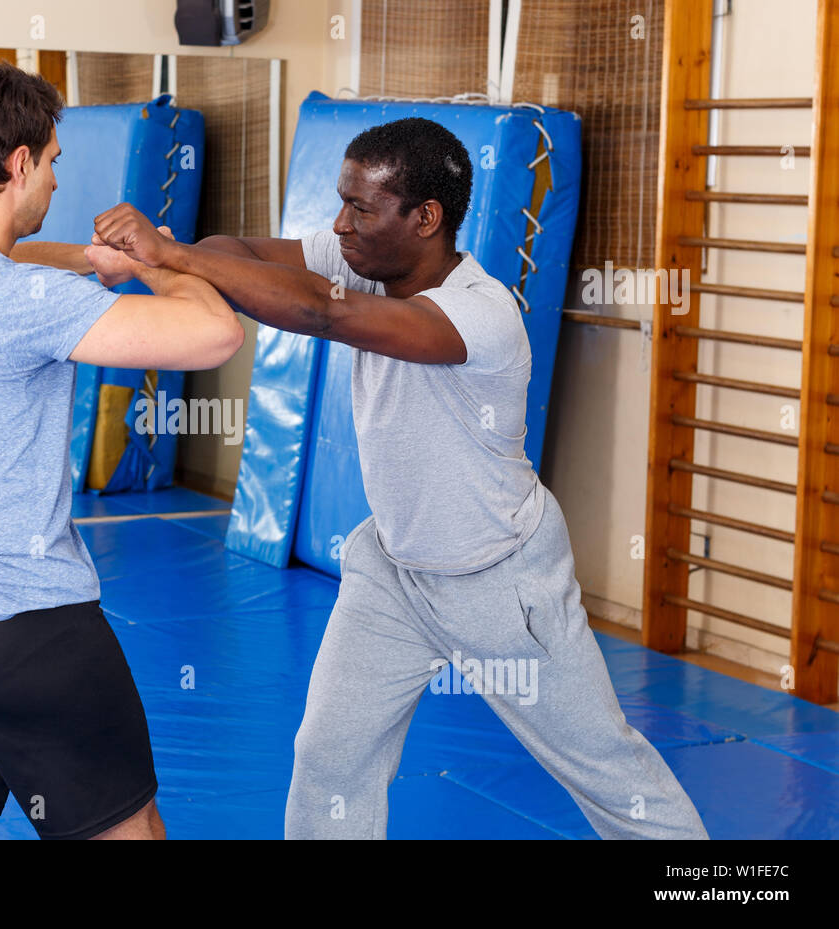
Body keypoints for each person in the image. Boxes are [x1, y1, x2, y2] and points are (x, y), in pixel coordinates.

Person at [91, 117, 710, 840]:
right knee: (330, 757)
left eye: (360, 207)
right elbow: (242, 251)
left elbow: (324, 312)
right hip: (393, 570)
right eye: (341, 202)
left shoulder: (483, 315)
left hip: (499, 580)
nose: (339, 224)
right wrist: (171, 260)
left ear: (425, 218)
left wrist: (166, 253)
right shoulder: (361, 255)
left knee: (605, 765)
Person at [0, 60, 243, 840]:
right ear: (19, 162)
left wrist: (83, 260)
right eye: (54, 162)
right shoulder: (18, 305)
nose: (59, 182)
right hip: (28, 631)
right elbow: (217, 333)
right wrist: (163, 261)